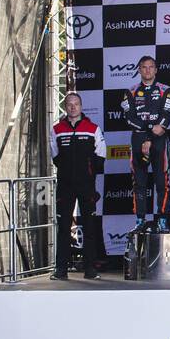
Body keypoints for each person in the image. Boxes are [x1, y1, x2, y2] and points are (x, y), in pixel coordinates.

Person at [50, 92, 106, 280]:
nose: (73, 107)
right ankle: (61, 270)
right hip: (65, 185)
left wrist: (88, 172)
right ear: (65, 107)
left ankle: (90, 270)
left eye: (76, 104)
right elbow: (55, 157)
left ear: (81, 107)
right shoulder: (56, 129)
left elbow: (101, 156)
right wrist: (68, 170)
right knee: (63, 227)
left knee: (89, 226)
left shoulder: (93, 128)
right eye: (69, 104)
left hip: (86, 184)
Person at [120, 55, 170, 231]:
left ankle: (162, 219)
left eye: (151, 67)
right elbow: (129, 119)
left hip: (159, 141)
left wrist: (150, 138)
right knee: (139, 182)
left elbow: (166, 116)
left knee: (162, 182)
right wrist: (146, 136)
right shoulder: (131, 91)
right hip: (138, 140)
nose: (148, 70)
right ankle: (140, 220)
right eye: (144, 67)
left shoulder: (166, 90)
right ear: (139, 70)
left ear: (156, 70)